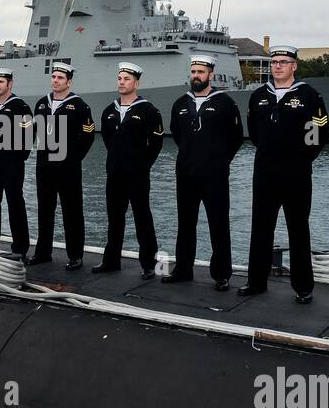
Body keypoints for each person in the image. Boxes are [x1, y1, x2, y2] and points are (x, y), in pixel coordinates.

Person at [240, 45, 329, 303]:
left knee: (298, 229)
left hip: (297, 174)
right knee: (261, 228)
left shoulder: (309, 95)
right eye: (274, 62)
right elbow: (255, 132)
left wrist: (301, 158)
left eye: (283, 62)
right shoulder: (258, 96)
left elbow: (318, 132)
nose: (277, 66)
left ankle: (303, 287)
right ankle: (256, 282)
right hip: (265, 172)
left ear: (294, 66)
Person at [165, 54, 244, 290]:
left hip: (215, 175)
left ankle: (221, 274)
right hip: (187, 173)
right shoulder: (180, 104)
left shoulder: (225, 103)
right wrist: (192, 154)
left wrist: (218, 159)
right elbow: (177, 134)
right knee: (185, 223)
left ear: (211, 74)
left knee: (218, 224)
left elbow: (236, 138)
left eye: (200, 72)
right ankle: (183, 270)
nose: (196, 76)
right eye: (193, 72)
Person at [93, 62, 163, 278]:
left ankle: (149, 264)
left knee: (143, 218)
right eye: (120, 78)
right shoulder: (109, 111)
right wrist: (117, 160)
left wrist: (142, 165)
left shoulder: (148, 110)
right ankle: (111, 261)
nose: (122, 82)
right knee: (114, 219)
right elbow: (108, 139)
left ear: (136, 83)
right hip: (115, 174)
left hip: (138, 175)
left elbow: (157, 142)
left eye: (127, 79)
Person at [27, 62, 95, 271]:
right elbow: (32, 133)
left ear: (69, 82)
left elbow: (88, 136)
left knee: (72, 212)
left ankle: (75, 255)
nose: (55, 80)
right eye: (54, 77)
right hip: (44, 166)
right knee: (45, 211)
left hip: (68, 168)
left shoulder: (80, 106)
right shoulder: (41, 104)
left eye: (60, 78)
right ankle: (43, 252)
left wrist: (73, 159)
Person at [0, 68, 33, 259]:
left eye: (0, 82)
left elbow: (29, 135)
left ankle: (20, 249)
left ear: (9, 84)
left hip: (12, 163)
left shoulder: (21, 107)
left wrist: (18, 157)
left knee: (15, 205)